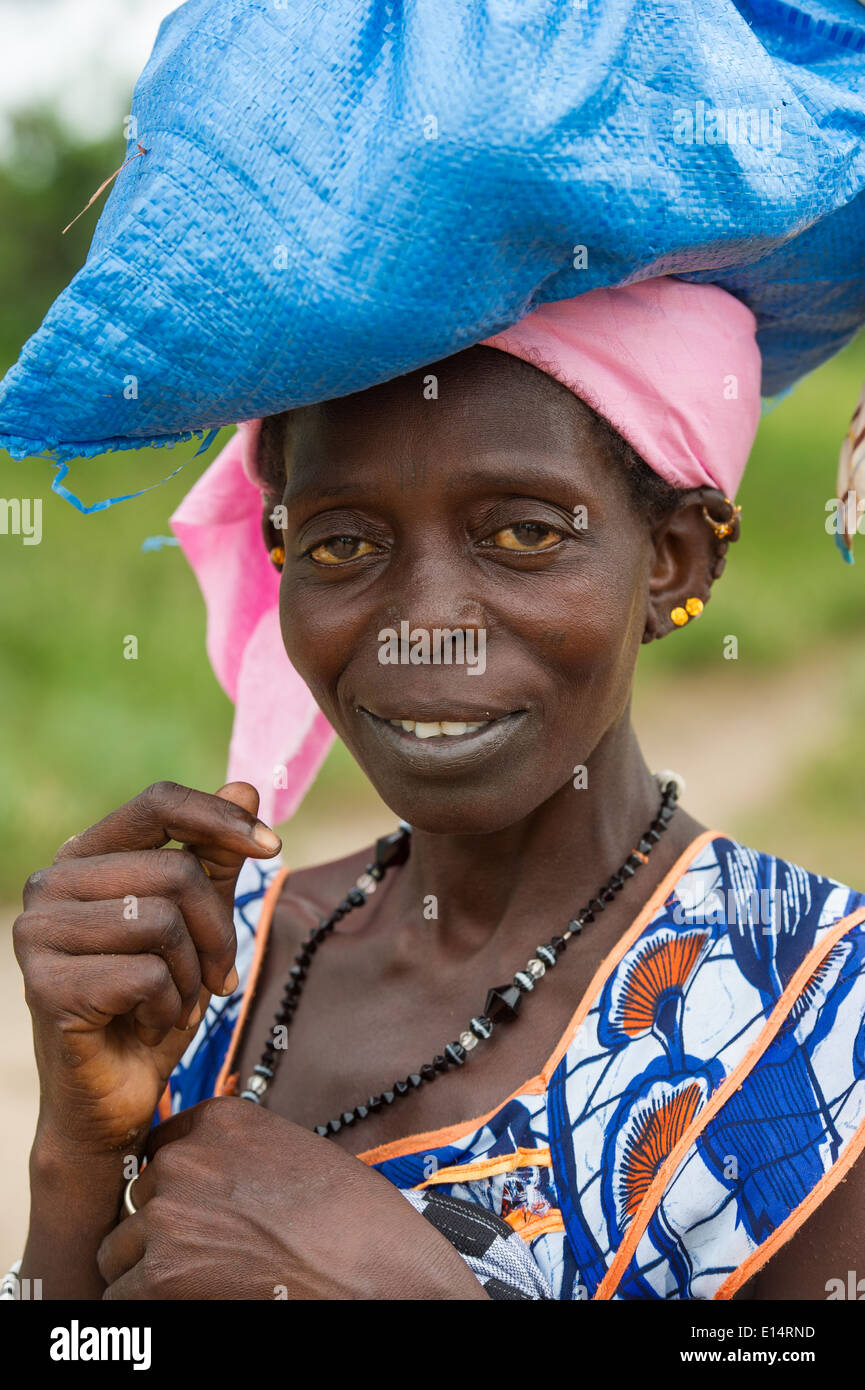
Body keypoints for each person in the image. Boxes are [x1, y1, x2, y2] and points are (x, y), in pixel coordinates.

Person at [9, 279, 865, 1301]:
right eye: (344, 544)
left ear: (674, 561)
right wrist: (76, 1159)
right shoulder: (208, 959)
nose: (425, 623)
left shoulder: (817, 1024)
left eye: (523, 533)